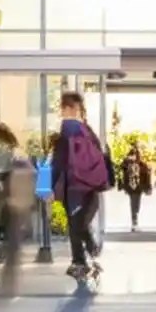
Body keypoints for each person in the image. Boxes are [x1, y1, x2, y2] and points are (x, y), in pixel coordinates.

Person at [51, 92, 111, 281]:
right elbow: (102, 156)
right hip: (90, 187)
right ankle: (87, 254)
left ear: (67, 109)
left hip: (73, 188)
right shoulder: (88, 131)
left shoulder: (65, 133)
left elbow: (58, 163)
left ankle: (81, 260)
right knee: (80, 224)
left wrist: (50, 188)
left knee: (75, 225)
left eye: (62, 108)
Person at [0, 122, 35, 294]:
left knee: (13, 238)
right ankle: (9, 276)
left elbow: (4, 174)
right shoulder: (15, 150)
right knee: (14, 238)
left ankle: (8, 279)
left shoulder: (5, 152)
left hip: (12, 199)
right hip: (19, 200)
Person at [119, 140, 153, 232]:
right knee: (135, 204)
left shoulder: (140, 164)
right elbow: (122, 169)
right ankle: (134, 222)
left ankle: (135, 222)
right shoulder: (129, 163)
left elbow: (147, 174)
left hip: (137, 186)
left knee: (135, 204)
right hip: (134, 187)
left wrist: (148, 187)